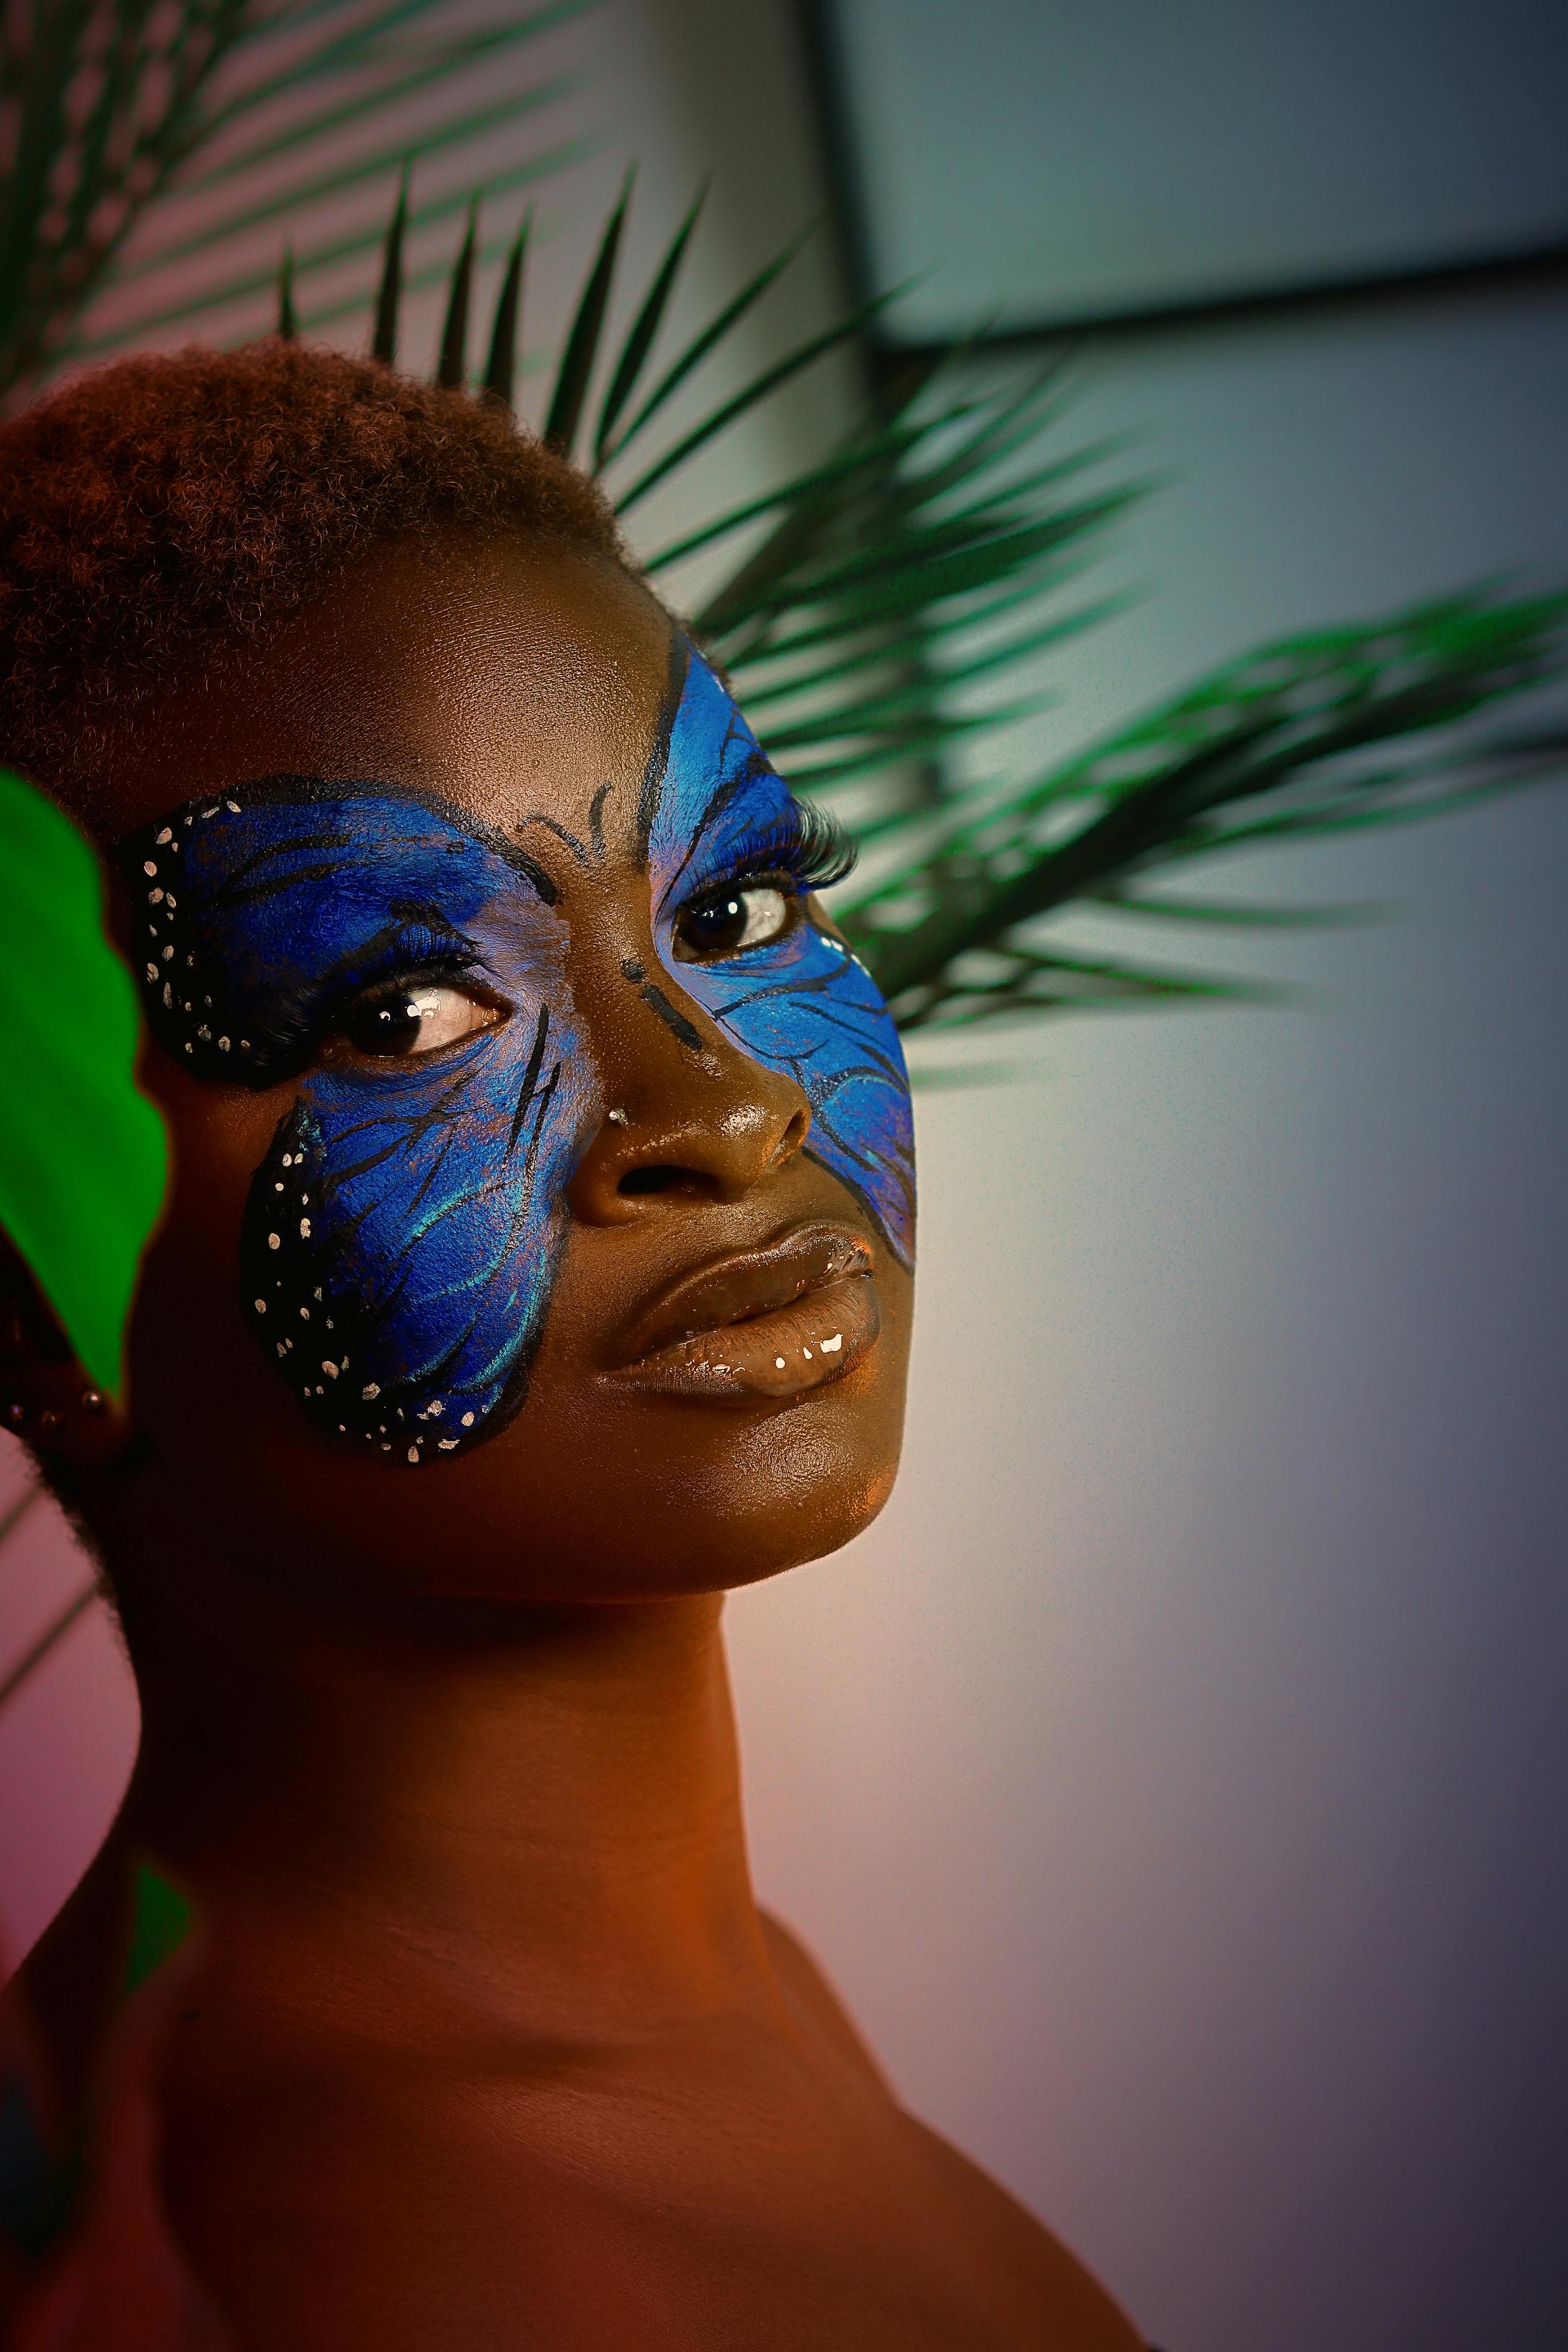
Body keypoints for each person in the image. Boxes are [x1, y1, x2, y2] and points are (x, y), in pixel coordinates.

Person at [0, 343, 1149, 2348]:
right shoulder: (353, 2265)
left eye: (742, 910)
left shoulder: (710, 2001)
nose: (720, 1112)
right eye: (408, 1016)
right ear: (32, 1298)